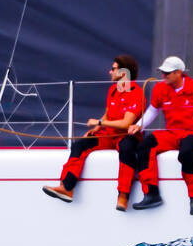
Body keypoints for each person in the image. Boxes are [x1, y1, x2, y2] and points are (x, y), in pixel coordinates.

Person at [128, 56, 193, 214]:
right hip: (171, 133)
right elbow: (153, 111)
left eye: (167, 73)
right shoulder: (160, 89)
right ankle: (151, 194)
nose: (163, 76)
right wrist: (139, 125)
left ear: (179, 73)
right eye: (162, 72)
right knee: (144, 147)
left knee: (187, 153)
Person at [42, 55, 145, 210]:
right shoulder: (113, 90)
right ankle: (66, 187)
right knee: (80, 145)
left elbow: (126, 123)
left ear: (124, 72)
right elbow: (108, 113)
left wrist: (99, 123)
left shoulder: (136, 93)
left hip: (126, 135)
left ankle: (123, 195)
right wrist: (96, 129)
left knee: (127, 149)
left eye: (113, 68)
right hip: (109, 135)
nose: (110, 72)